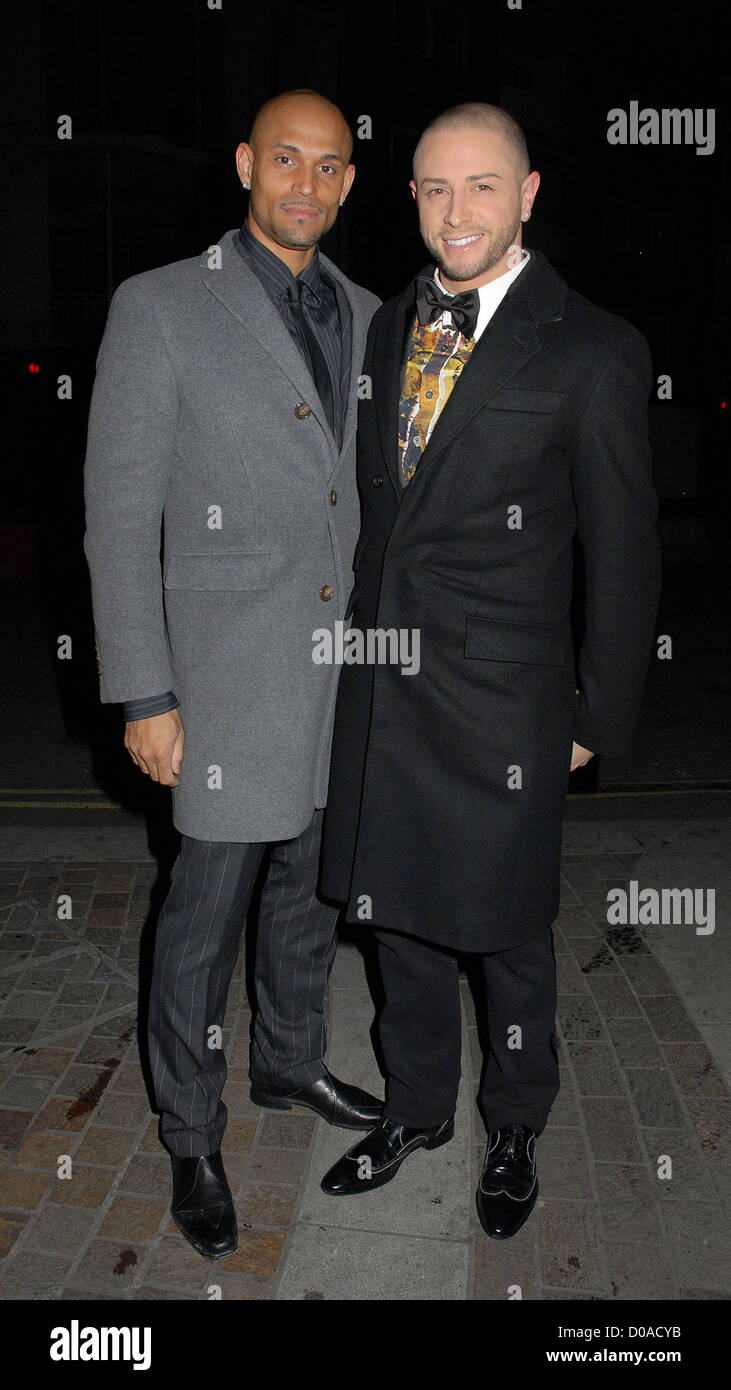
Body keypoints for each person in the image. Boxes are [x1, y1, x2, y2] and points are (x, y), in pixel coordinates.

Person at [318, 103, 661, 1239]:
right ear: (408, 197)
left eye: (478, 186)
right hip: (385, 688)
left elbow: (622, 555)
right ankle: (414, 1106)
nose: (452, 211)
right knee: (395, 922)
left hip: (506, 705)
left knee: (507, 933)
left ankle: (514, 1121)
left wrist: (589, 715)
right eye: (429, 187)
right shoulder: (387, 326)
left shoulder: (593, 347)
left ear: (526, 193)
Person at [83, 89, 382, 1260]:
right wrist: (145, 691)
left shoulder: (367, 310)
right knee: (202, 920)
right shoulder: (160, 303)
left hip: (336, 672)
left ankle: (291, 1066)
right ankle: (192, 1132)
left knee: (311, 891)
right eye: (286, 161)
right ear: (248, 165)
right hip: (220, 677)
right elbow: (117, 512)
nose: (305, 184)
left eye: (330, 166)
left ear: (350, 182)